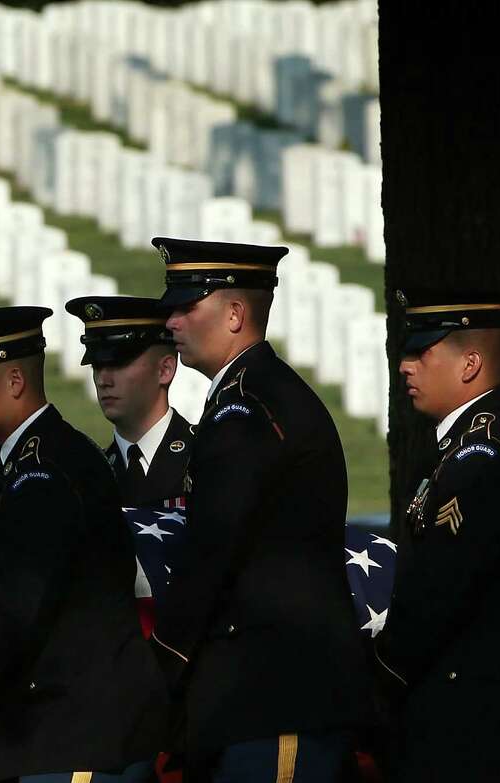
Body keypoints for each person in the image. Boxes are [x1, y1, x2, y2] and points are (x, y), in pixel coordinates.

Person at [0, 306, 167, 783]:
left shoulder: (43, 474)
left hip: (74, 732)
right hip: (65, 728)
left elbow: (21, 608)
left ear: (13, 382)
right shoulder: (42, 457)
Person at [152, 237, 373, 780]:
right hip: (260, 694)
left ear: (234, 314)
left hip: (275, 694)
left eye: (186, 307)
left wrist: (164, 660)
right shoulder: (253, 397)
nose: (171, 323)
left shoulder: (246, 411)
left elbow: (215, 546)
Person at [374, 290, 500, 782]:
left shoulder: (482, 459)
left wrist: (378, 677)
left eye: (422, 352)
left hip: (478, 729)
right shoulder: (463, 449)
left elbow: (438, 592)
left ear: (470, 363)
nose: (405, 366)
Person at [65, 295, 192, 505]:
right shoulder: (87, 478)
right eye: (96, 366)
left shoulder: (205, 459)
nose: (103, 380)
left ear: (165, 370)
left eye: (118, 364)